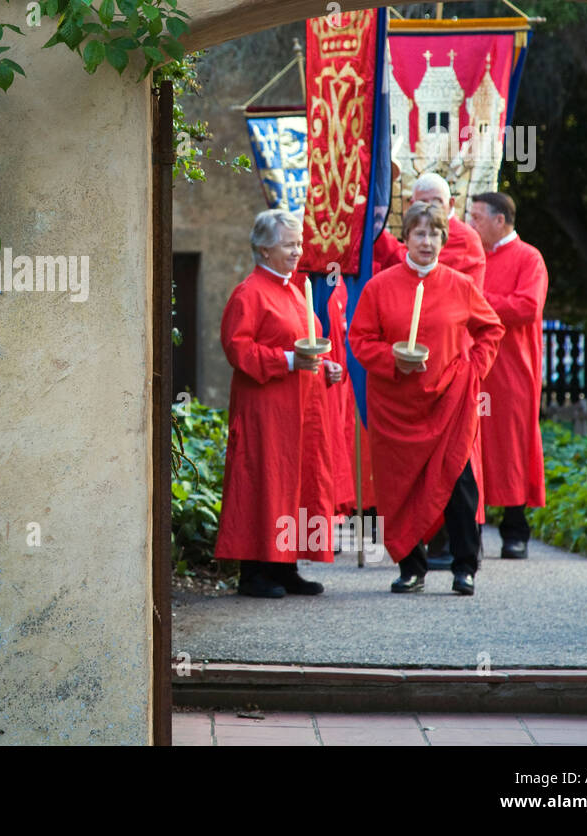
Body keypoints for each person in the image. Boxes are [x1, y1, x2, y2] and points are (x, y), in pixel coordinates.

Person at [348, 200, 504, 595]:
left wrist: (474, 370)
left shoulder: (460, 285)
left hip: (449, 401)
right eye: (420, 233)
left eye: (435, 234)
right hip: (396, 405)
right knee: (399, 486)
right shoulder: (379, 286)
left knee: (459, 482)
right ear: (405, 239)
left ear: (444, 239)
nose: (427, 242)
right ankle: (410, 566)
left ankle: (464, 566)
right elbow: (360, 340)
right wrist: (392, 359)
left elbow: (491, 329)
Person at [215, 209, 345, 598]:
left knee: (296, 482)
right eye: (289, 244)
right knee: (264, 482)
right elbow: (238, 350)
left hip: (299, 405)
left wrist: (325, 367)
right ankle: (254, 572)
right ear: (264, 249)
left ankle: (285, 565)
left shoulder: (293, 289)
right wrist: (289, 361)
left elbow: (307, 346)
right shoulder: (249, 293)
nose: (297, 251)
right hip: (265, 408)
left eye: (298, 243)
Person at [469, 191, 549, 559]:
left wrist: (478, 302)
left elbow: (528, 306)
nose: (471, 225)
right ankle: (471, 528)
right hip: (478, 365)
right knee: (474, 446)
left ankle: (515, 529)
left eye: (477, 218)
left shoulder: (529, 257)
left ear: (499, 220)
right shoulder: (474, 258)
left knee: (512, 447)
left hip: (513, 369)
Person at [373, 172, 486, 288]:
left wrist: (378, 236)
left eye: (437, 201)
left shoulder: (465, 236)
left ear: (451, 203)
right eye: (422, 202)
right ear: (412, 204)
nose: (430, 208)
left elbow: (419, 266)